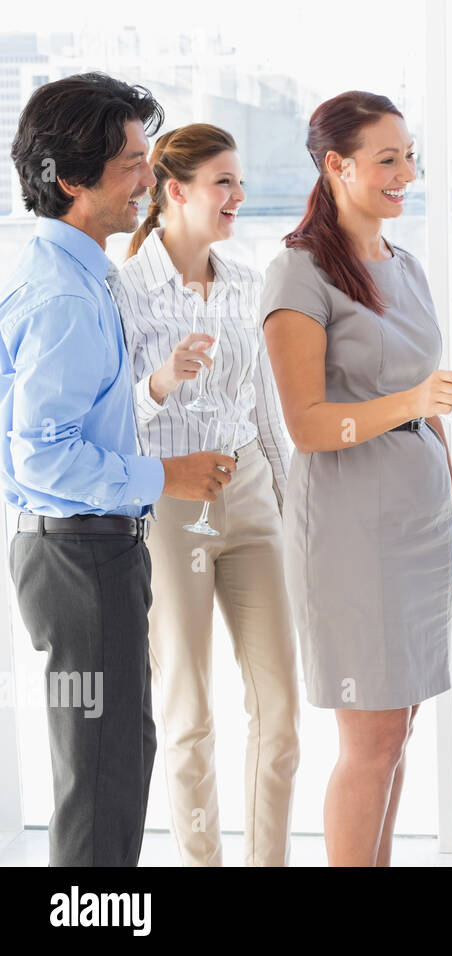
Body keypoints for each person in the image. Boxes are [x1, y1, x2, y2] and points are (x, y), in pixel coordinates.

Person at [0, 72, 234, 866]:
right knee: (102, 780)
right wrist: (166, 476)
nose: (149, 177)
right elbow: (40, 451)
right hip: (79, 555)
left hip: (86, 551)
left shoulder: (73, 274)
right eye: (133, 161)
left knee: (117, 760)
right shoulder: (65, 296)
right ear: (72, 179)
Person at [261, 91, 452, 867]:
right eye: (388, 160)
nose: (405, 174)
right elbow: (308, 425)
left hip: (418, 521)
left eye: (409, 157)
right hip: (350, 529)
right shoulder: (300, 273)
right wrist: (414, 402)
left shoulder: (405, 266)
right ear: (336, 165)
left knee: (400, 727)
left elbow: (431, 411)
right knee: (372, 735)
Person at [118, 123, 300, 866]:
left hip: (250, 492)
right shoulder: (123, 291)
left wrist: (291, 509)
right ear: (175, 191)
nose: (238, 196)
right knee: (188, 711)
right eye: (223, 181)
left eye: (240, 181)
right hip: (170, 505)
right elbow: (110, 422)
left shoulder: (248, 285)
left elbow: (265, 411)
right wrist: (162, 382)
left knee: (281, 712)